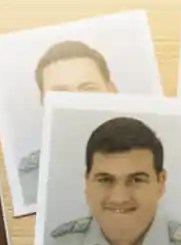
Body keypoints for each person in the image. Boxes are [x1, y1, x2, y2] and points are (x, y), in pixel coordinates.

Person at [43, 116, 181, 245]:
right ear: (87, 181)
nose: (119, 198)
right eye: (105, 180)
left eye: (136, 180)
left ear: (161, 182)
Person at [19, 39, 118, 205]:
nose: (76, 102)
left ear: (112, 91)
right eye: (60, 93)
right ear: (43, 101)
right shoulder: (28, 180)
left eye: (88, 89)